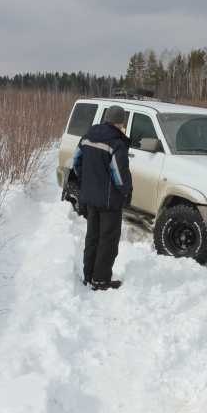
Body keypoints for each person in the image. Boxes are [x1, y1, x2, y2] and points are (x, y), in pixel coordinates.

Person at [76, 105, 132, 291]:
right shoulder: (116, 143)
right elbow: (119, 174)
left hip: (90, 198)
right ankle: (100, 280)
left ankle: (88, 275)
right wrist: (126, 191)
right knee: (107, 241)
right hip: (109, 202)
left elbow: (76, 163)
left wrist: (87, 183)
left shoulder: (87, 136)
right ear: (120, 122)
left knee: (92, 237)